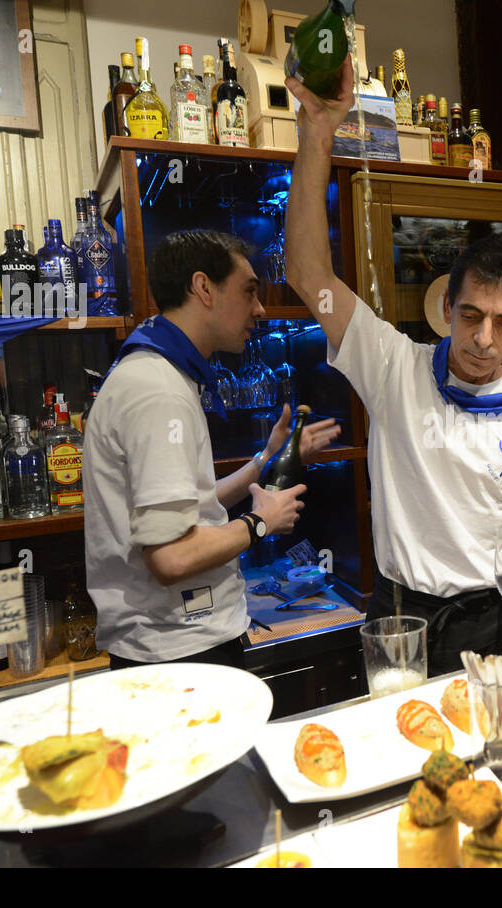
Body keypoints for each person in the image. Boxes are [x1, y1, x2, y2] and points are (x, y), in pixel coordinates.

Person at [284, 56, 502, 674]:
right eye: (470, 316)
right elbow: (309, 275)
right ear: (446, 306)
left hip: (501, 614)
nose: (482, 339)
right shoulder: (393, 364)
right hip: (402, 615)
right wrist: (316, 134)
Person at [84, 230, 340, 668]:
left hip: (176, 642)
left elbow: (188, 508)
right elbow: (171, 555)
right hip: (178, 651)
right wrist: (261, 522)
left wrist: (268, 458)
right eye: (249, 291)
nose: (260, 309)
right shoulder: (158, 391)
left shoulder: (158, 373)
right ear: (204, 288)